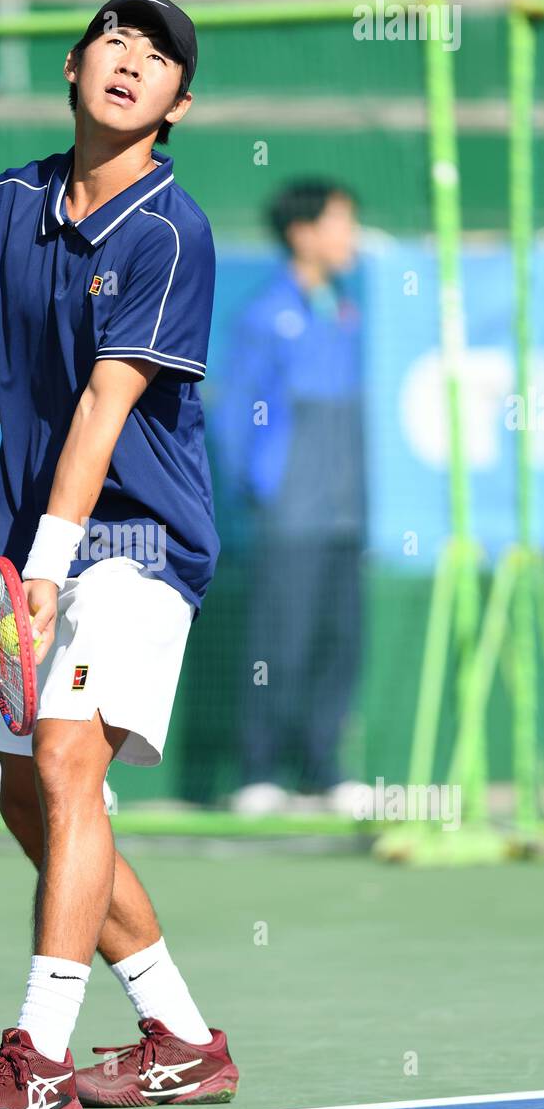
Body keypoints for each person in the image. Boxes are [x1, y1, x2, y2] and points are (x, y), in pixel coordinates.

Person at [0, 0, 239, 1109]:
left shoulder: (168, 232)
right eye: (114, 39)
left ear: (176, 106)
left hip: (138, 542)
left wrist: (46, 569)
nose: (131, 61)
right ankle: (184, 1037)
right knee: (32, 802)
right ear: (71, 64)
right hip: (26, 540)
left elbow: (106, 412)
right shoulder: (10, 201)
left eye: (158, 59)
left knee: (65, 764)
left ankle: (38, 1059)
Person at [220, 180, 370, 817]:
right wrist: (264, 491)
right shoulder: (265, 316)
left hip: (345, 515)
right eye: (341, 223)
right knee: (278, 642)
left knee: (341, 640)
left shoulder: (346, 311)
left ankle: (323, 770)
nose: (352, 237)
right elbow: (235, 420)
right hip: (290, 516)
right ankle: (258, 772)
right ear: (303, 233)